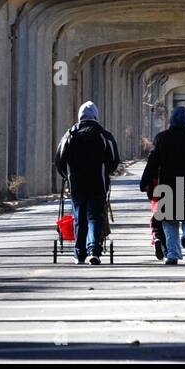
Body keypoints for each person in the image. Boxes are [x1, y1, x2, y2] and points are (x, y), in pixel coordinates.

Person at [140, 106, 185, 264]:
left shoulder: (162, 138)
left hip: (168, 185)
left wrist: (145, 181)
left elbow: (153, 162)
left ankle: (172, 254)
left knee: (169, 221)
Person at [56, 101, 119, 265]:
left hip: (77, 184)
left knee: (79, 217)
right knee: (95, 217)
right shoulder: (103, 135)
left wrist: (68, 176)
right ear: (96, 116)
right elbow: (113, 160)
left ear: (79, 116)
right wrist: (105, 173)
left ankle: (79, 253)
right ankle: (94, 250)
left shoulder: (69, 134)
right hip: (98, 183)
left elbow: (60, 160)